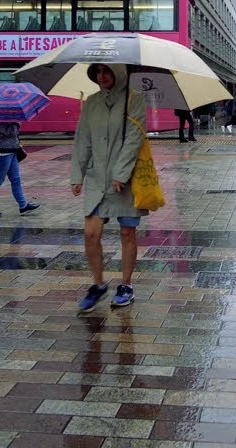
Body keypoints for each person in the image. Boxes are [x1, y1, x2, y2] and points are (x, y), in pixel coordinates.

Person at [71, 63, 147, 311]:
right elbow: (83, 138)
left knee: (127, 233)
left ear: (119, 73)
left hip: (125, 180)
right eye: (98, 72)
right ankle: (98, 284)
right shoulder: (91, 102)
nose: (102, 76)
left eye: (107, 71)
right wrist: (77, 175)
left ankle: (126, 285)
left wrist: (121, 173)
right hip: (97, 178)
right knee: (90, 234)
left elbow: (135, 139)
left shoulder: (134, 100)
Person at [0, 120, 39, 217]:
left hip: (11, 150)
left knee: (16, 179)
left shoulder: (6, 118)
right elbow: (10, 132)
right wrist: (17, 123)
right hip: (1, 152)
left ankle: (23, 206)